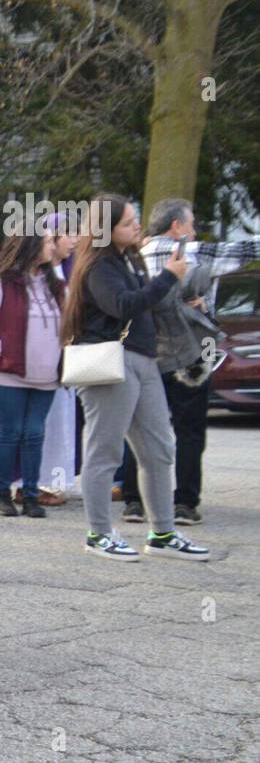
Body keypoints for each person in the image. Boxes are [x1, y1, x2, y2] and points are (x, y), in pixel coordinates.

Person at [62, 194, 208, 562]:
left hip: (143, 360)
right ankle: (98, 533)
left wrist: (179, 289)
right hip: (111, 361)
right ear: (106, 230)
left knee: (159, 449)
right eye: (128, 223)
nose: (137, 226)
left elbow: (148, 302)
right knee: (105, 451)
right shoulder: (99, 265)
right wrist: (166, 278)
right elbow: (123, 305)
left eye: (135, 220)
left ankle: (162, 532)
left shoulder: (128, 259)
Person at [119, 198, 260, 525]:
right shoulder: (194, 253)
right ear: (176, 227)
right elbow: (247, 251)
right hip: (188, 358)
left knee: (137, 427)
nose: (195, 230)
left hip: (143, 353)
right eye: (191, 223)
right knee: (190, 430)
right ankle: (184, 503)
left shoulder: (130, 258)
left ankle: (133, 500)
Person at [0, 214, 82, 504]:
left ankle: (32, 494)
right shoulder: (0, 283)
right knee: (10, 434)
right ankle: (2, 495)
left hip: (46, 378)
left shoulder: (55, 285)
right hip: (9, 374)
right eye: (46, 242)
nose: (51, 246)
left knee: (34, 435)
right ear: (30, 246)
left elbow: (68, 323)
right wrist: (5, 350)